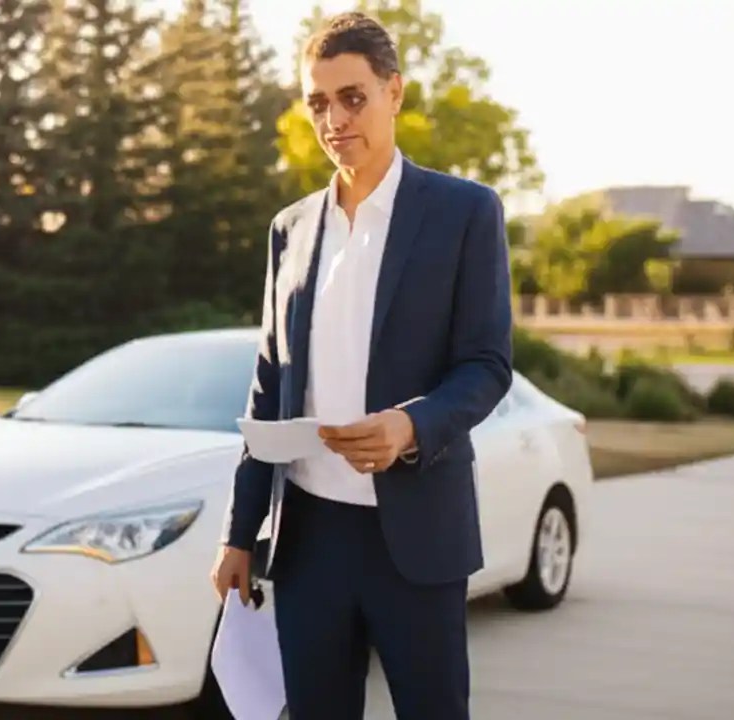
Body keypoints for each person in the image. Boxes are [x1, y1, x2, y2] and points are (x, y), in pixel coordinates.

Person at [209, 11, 513, 720]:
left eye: (353, 97)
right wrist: (237, 532)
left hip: (416, 535)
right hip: (308, 539)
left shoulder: (465, 212)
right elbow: (268, 386)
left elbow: (486, 364)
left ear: (394, 93)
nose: (335, 118)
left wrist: (410, 426)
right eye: (318, 101)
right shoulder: (289, 229)